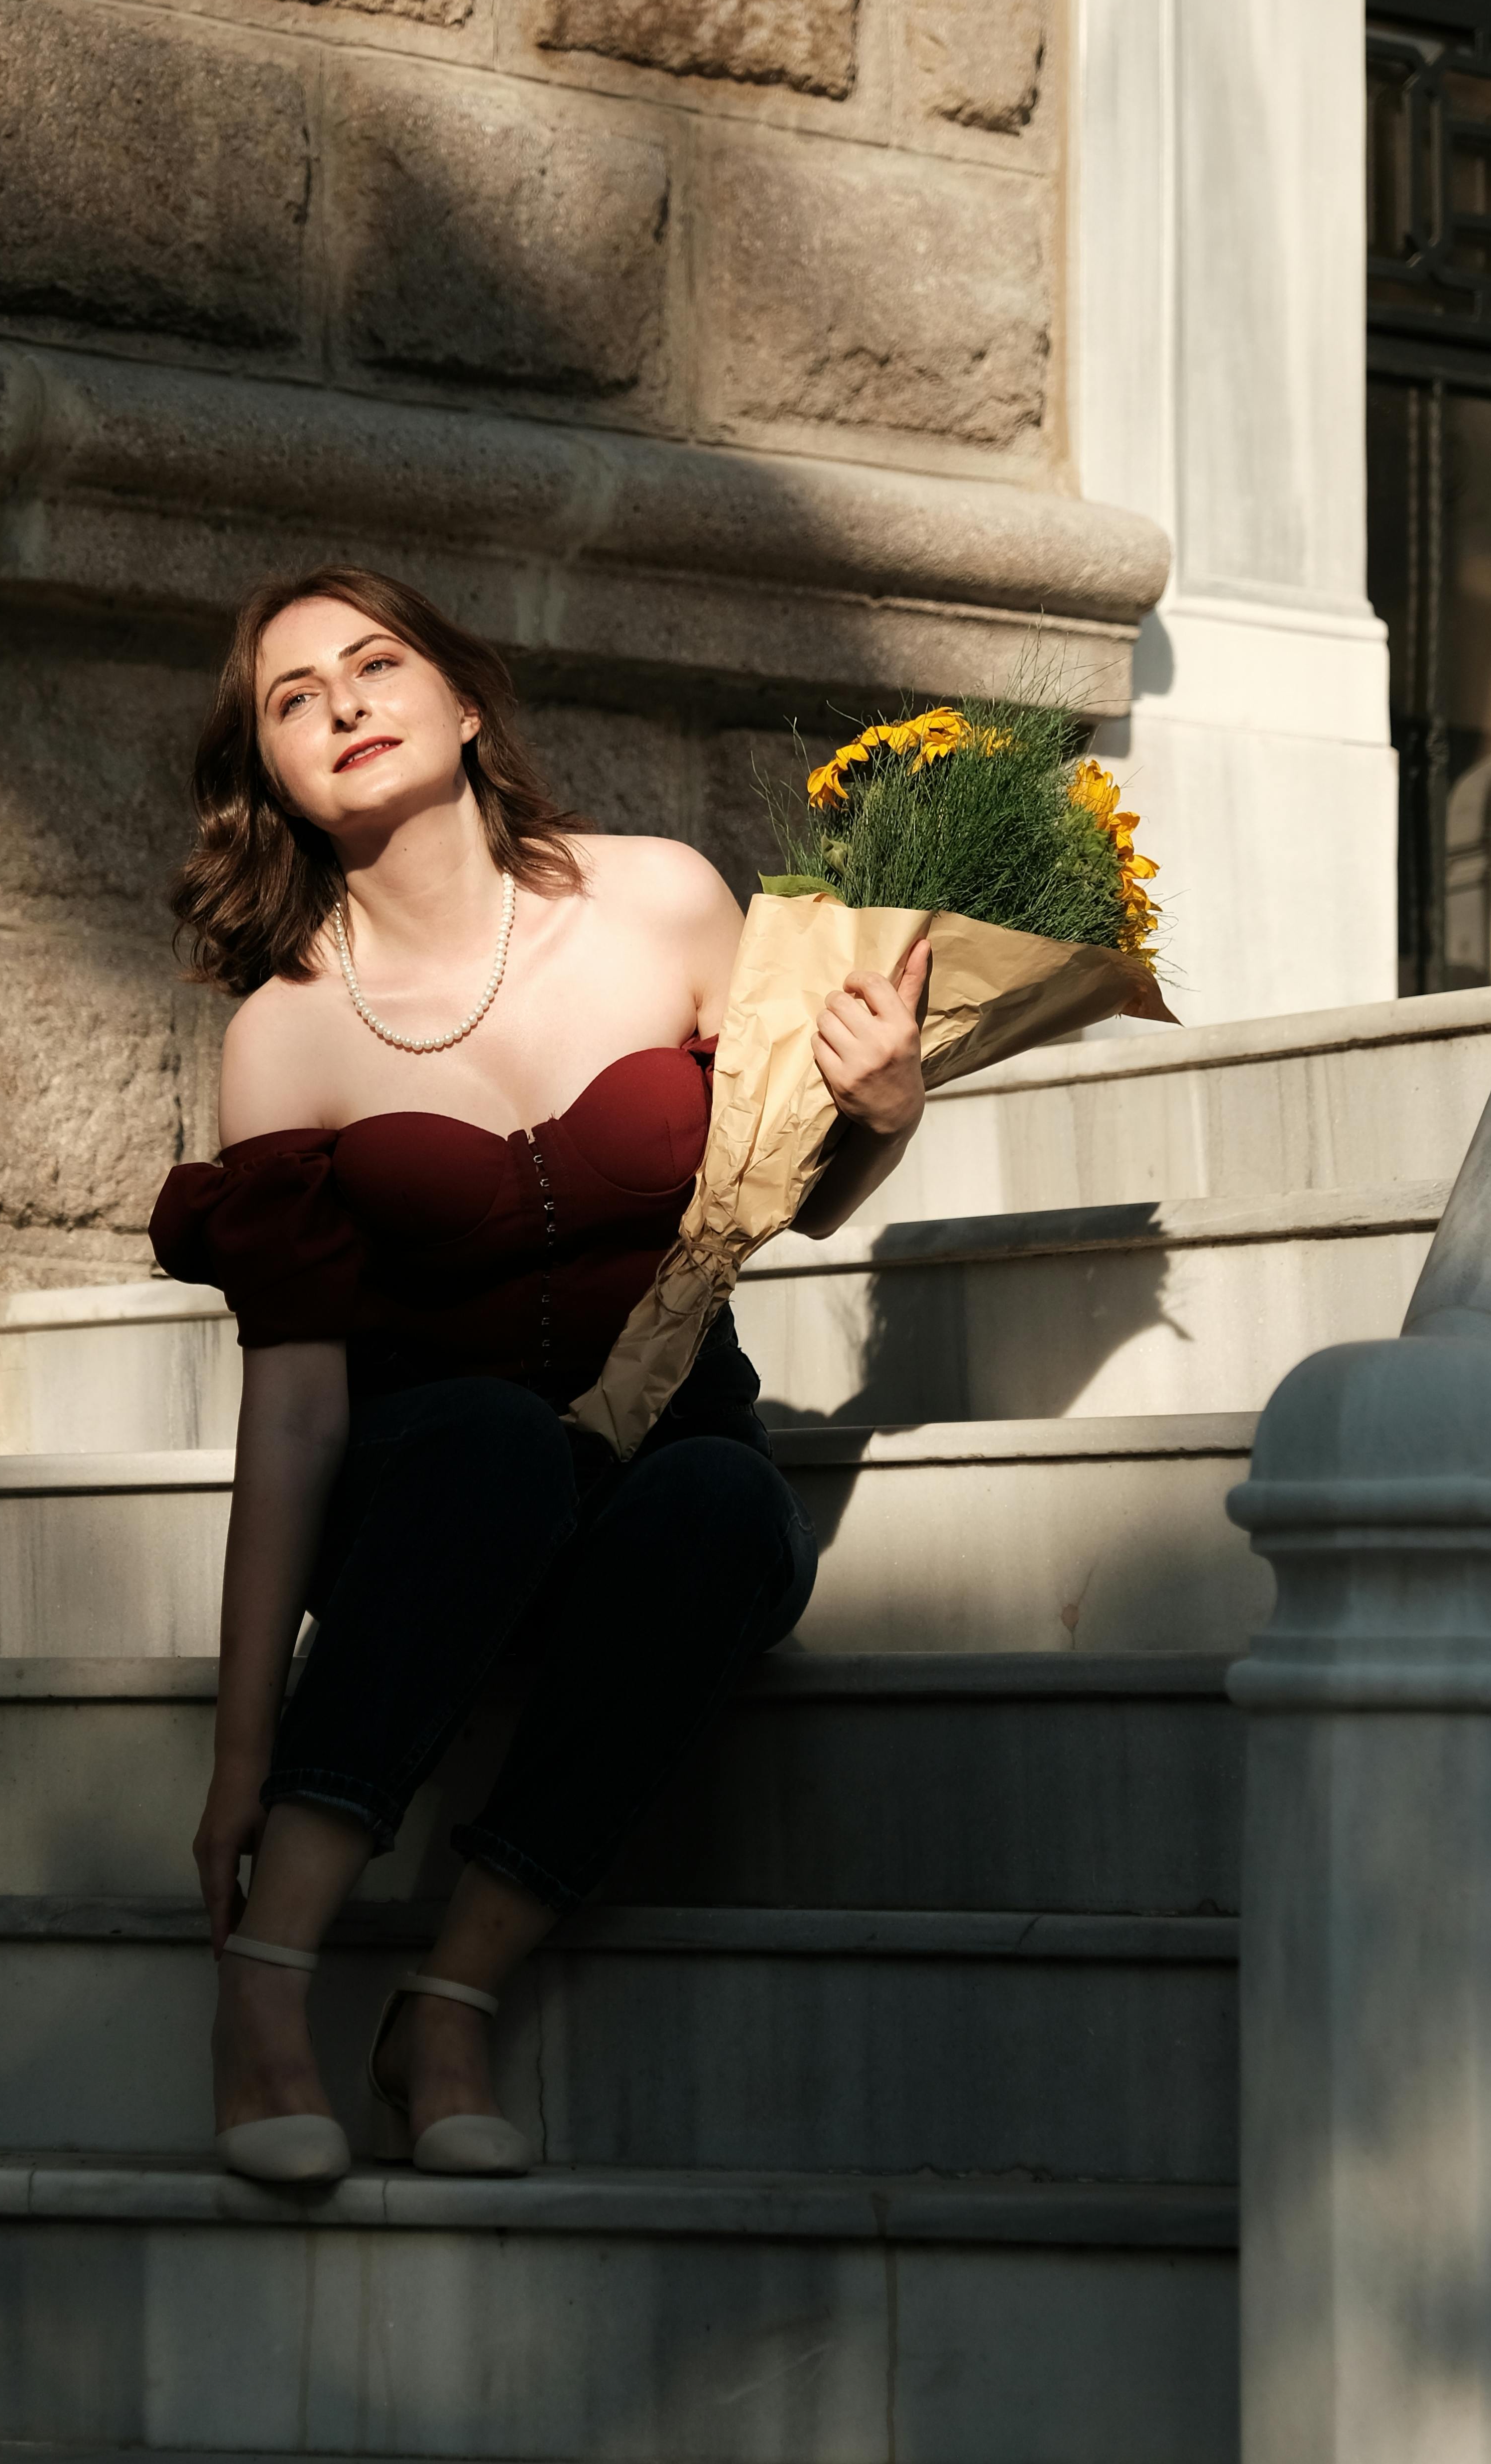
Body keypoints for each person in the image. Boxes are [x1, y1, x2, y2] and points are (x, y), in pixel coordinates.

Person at [149, 566, 930, 2184]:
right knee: (493, 1447)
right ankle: (267, 1985)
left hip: (656, 1454)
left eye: (376, 666)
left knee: (727, 1500)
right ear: (275, 777)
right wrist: (239, 1757)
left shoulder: (661, 901)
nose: (346, 704)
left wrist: (884, 1119)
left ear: (465, 702)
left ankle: (449, 2001)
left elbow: (771, 1196)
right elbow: (294, 1413)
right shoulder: (283, 1035)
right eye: (296, 699)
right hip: (434, 1491)